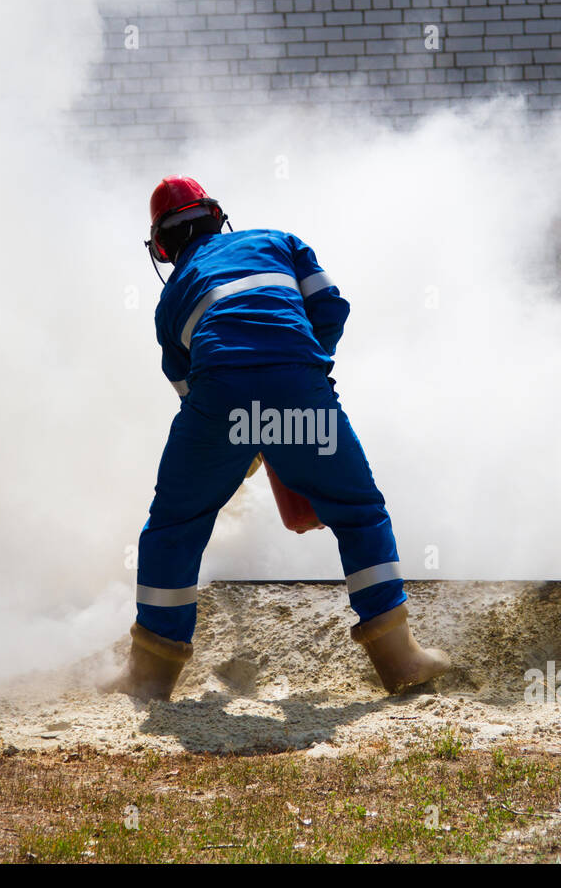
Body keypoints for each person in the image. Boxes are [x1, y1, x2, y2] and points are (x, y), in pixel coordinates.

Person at [105, 176, 451, 702]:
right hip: (301, 390)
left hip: (219, 403)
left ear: (163, 247)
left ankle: (150, 677)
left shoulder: (173, 296)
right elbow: (331, 308)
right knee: (359, 511)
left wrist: (243, 441)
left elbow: (191, 386)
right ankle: (399, 657)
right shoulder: (281, 242)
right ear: (219, 216)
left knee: (175, 525)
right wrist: (305, 373)